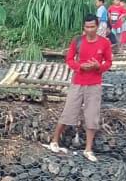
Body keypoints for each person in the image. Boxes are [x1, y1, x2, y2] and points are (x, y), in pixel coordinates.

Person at [46, 14, 112, 162]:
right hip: (78, 82)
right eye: (87, 27)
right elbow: (69, 59)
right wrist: (80, 66)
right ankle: (54, 140)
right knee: (68, 111)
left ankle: (88, 149)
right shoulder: (77, 41)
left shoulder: (104, 43)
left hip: (94, 84)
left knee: (92, 116)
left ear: (97, 27)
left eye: (92, 27)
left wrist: (98, 67)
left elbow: (108, 63)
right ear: (84, 27)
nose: (89, 30)